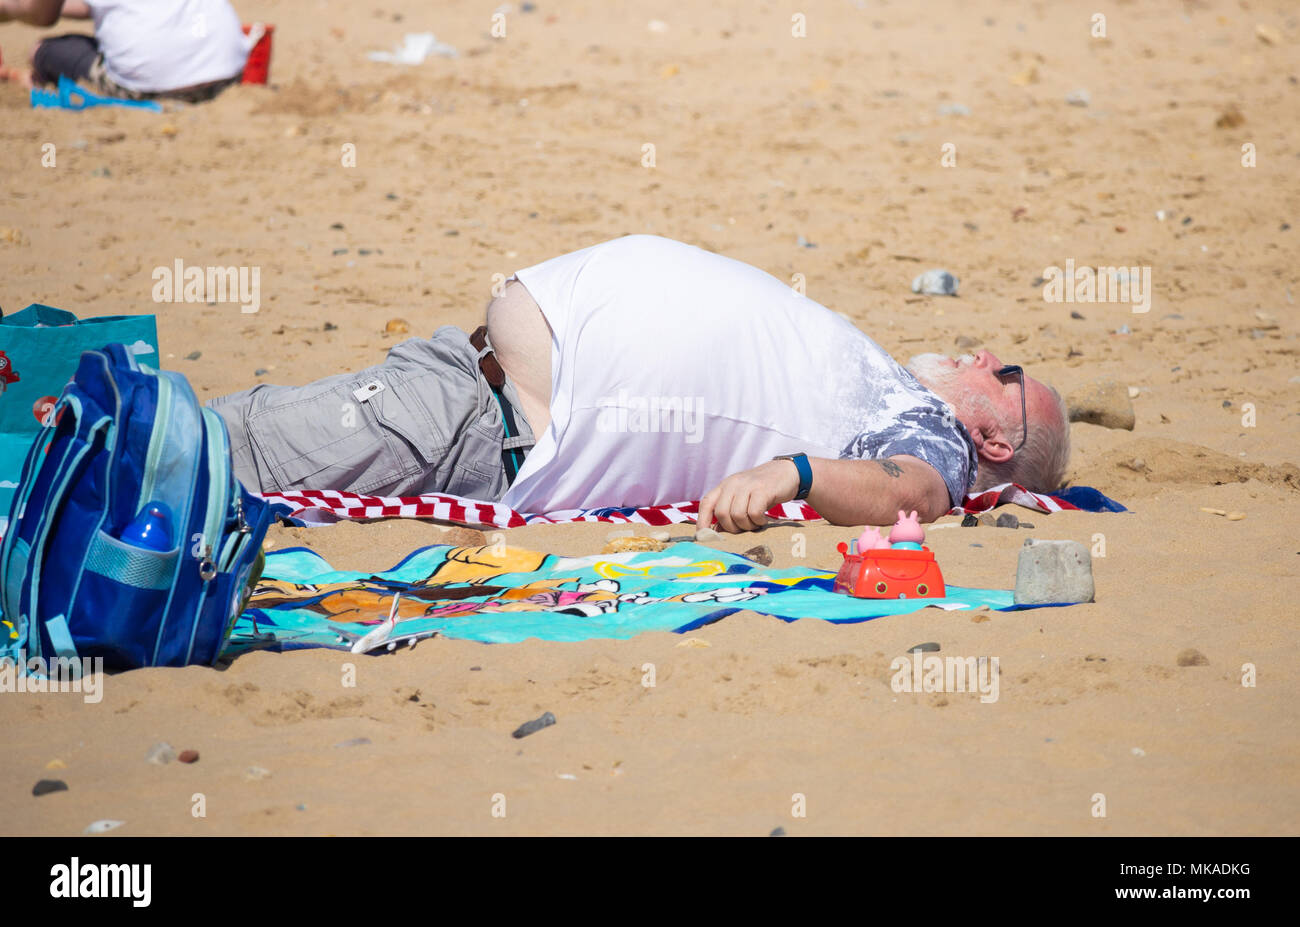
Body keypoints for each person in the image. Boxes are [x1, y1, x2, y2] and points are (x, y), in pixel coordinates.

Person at [208, 235, 1071, 533]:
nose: (989, 350)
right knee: (224, 437)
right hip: (461, 399)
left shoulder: (925, 434)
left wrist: (793, 474)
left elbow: (915, 492)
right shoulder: (881, 392)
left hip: (469, 423)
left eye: (1009, 374)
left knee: (203, 453)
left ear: (992, 439)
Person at [0, 0, 248, 103]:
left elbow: (38, 14)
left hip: (155, 85)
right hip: (230, 71)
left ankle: (33, 80)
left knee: (44, 51)